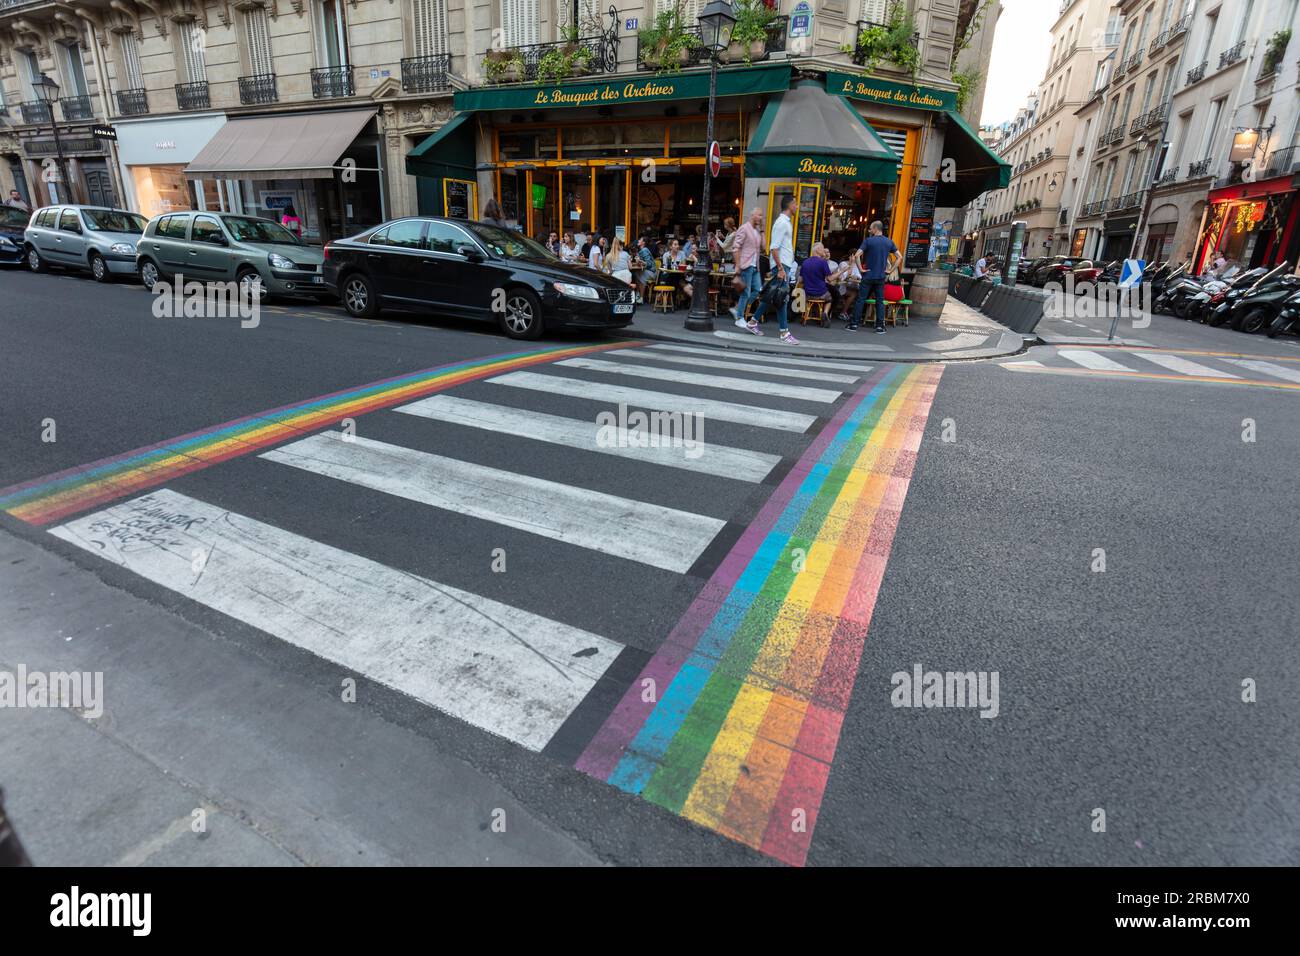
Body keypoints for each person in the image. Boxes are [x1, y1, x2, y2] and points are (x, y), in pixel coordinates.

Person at [751, 194, 799, 344]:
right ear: (790, 205)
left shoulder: (785, 222)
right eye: (796, 204)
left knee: (775, 296)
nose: (797, 207)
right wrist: (780, 268)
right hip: (781, 265)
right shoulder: (782, 223)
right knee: (781, 298)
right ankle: (784, 332)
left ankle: (753, 322)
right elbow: (773, 248)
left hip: (784, 265)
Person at [851, 220, 900, 333]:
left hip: (868, 275)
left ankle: (854, 324)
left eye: (871, 228)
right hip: (881, 276)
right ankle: (879, 327)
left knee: (860, 299)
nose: (870, 230)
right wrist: (890, 270)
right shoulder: (889, 242)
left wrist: (861, 269)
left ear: (875, 229)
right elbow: (899, 257)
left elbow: (857, 255)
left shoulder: (868, 241)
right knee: (880, 301)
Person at [730, 207, 764, 333]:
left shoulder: (757, 230)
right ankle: (739, 318)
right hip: (746, 264)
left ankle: (738, 308)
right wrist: (738, 265)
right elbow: (736, 247)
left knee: (757, 290)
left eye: (761, 216)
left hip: (755, 265)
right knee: (746, 293)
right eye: (759, 215)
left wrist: (763, 231)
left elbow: (764, 247)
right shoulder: (744, 228)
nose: (761, 218)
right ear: (753, 215)